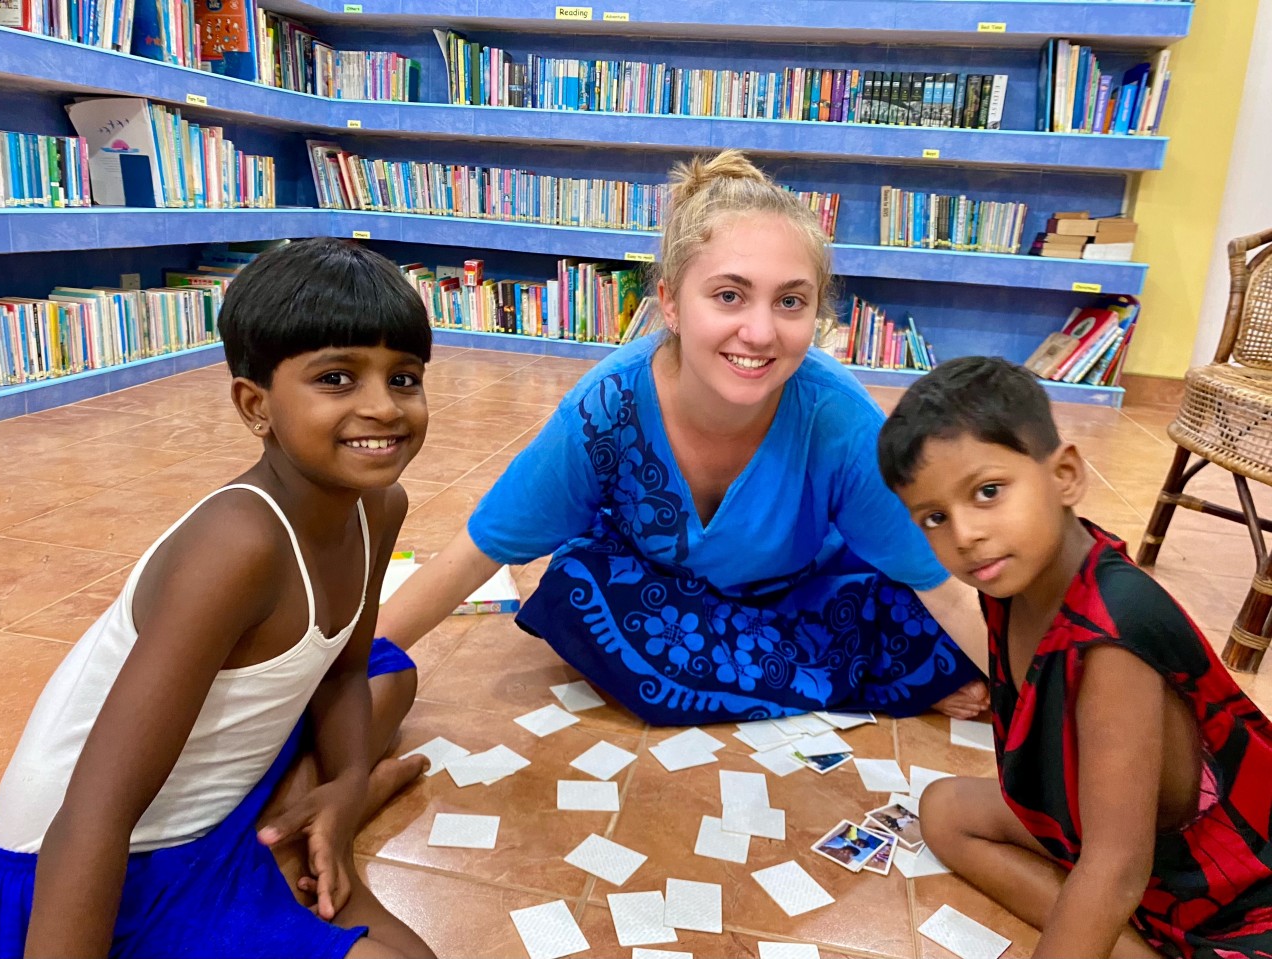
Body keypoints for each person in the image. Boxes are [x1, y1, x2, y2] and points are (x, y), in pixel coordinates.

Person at [377, 149, 989, 726]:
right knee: (575, 593)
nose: (759, 332)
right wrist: (340, 674)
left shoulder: (840, 418)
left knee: (934, 613)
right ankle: (860, 680)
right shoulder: (606, 407)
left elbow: (947, 592)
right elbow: (478, 551)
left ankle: (810, 676)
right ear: (670, 303)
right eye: (729, 295)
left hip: (805, 589)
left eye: (791, 302)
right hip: (665, 589)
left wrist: (1047, 720)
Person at [0, 238, 435, 958]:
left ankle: (306, 817)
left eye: (405, 377)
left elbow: (345, 670)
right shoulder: (236, 545)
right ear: (254, 404)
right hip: (101, 859)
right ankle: (286, 834)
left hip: (213, 799)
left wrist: (348, 786)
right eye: (337, 377)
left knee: (393, 673)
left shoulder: (379, 505)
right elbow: (96, 811)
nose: (382, 406)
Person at [877, 355, 1272, 958]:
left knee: (1103, 889)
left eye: (988, 492)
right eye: (935, 517)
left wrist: (1098, 904)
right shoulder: (1011, 579)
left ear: (1064, 475)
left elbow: (1116, 869)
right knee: (943, 811)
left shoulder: (1111, 635)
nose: (964, 534)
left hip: (1223, 890)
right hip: (1121, 846)